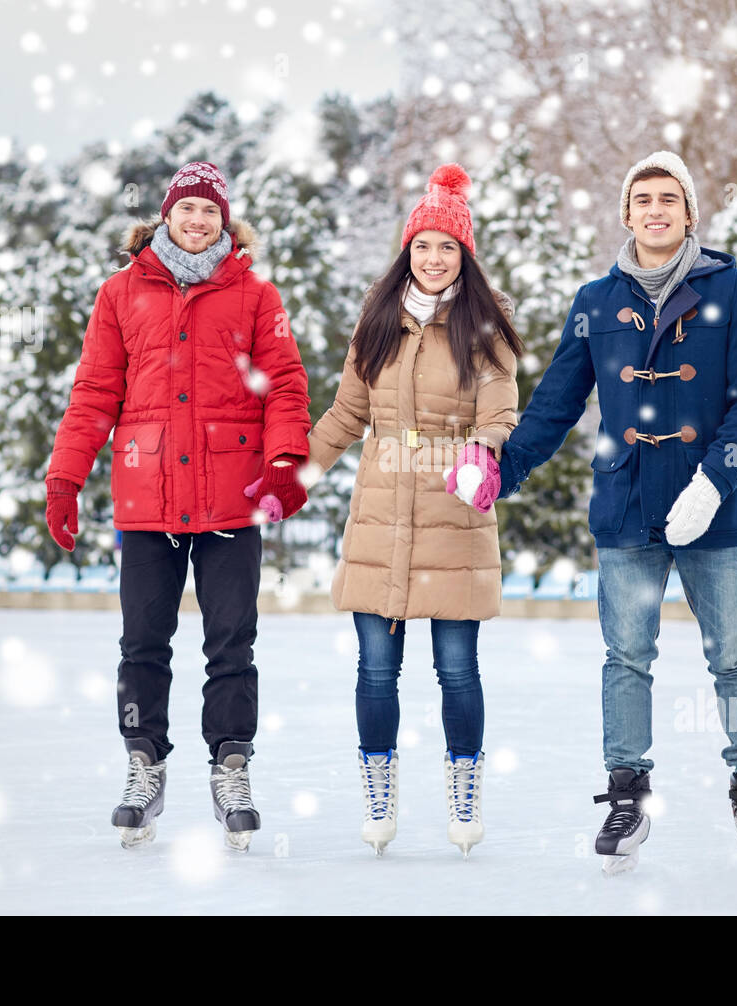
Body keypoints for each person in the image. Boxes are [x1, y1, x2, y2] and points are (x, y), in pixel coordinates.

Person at [493, 151, 737, 872]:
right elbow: (557, 402)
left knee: (734, 657)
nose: (655, 210)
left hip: (713, 511)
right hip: (626, 507)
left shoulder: (734, 290)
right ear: (626, 214)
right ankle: (627, 790)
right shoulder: (597, 301)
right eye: (642, 200)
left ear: (689, 213)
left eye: (669, 199)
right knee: (626, 656)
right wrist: (502, 469)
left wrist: (716, 481)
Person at [43, 160, 312, 851]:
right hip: (146, 497)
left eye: (210, 214)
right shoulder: (120, 294)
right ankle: (143, 763)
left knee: (231, 644)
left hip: (232, 497)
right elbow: (95, 393)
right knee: (142, 644)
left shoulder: (255, 294)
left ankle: (231, 765)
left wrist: (285, 462)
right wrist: (65, 478)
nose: (198, 223)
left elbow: (285, 383)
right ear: (165, 217)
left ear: (226, 223)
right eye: (186, 211)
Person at [299, 164, 521, 857]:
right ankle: (380, 788)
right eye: (422, 246)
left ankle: (463, 787)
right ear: (407, 251)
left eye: (447, 248)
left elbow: (499, 411)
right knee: (374, 669)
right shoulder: (378, 321)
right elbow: (347, 412)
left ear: (464, 256)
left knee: (457, 668)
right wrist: (296, 472)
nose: (432, 259)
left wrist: (481, 453)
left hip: (453, 515)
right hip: (382, 519)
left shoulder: (484, 326)